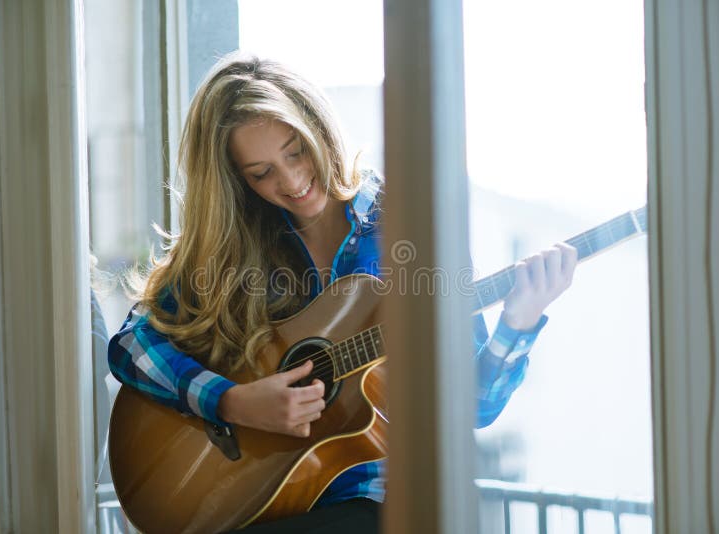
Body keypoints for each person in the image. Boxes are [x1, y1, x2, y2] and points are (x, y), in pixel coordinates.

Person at [107, 51, 577, 533]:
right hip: (263, 501)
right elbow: (129, 345)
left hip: (374, 501)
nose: (290, 181)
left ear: (319, 129)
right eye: (261, 173)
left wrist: (517, 323)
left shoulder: (414, 224)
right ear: (236, 181)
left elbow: (475, 407)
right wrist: (230, 401)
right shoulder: (236, 244)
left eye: (295, 151)